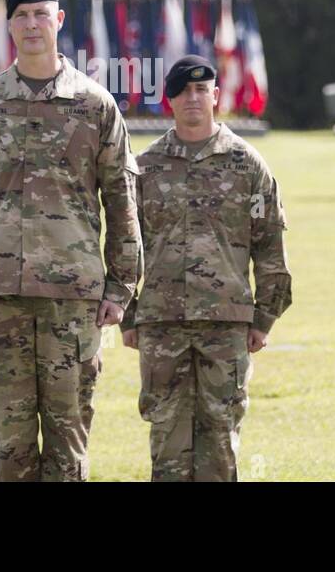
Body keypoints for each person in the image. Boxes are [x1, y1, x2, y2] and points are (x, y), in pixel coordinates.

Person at [0, 0, 143, 482]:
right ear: (10, 25)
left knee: (68, 439)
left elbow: (121, 202)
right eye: (22, 15)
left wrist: (121, 286)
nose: (32, 24)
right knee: (10, 441)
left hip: (72, 296)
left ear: (59, 21)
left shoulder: (95, 106)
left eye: (41, 13)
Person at [121, 55, 291, 481]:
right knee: (167, 439)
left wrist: (264, 317)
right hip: (162, 323)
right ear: (169, 101)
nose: (193, 98)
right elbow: (124, 245)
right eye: (183, 91)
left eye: (202, 90)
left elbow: (270, 245)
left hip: (226, 323)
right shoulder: (145, 167)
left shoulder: (246, 164)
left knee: (219, 439)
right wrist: (127, 314)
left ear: (216, 96)